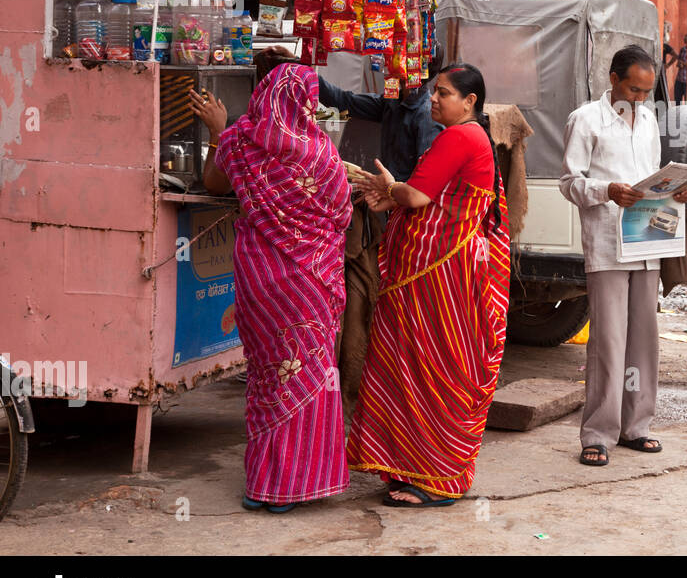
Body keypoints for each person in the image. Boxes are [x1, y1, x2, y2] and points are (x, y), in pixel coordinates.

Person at [189, 65, 352, 513]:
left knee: (266, 375)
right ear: (306, 103)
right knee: (305, 374)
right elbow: (341, 216)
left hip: (260, 278)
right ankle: (290, 486)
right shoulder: (321, 155)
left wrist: (217, 132)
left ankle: (261, 482)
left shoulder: (242, 138)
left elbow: (214, 183)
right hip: (309, 283)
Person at [345, 65, 509, 507]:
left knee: (430, 368)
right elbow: (430, 197)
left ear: (469, 102)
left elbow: (417, 197)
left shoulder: (460, 137)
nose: (433, 99)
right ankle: (412, 467)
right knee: (417, 368)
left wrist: (392, 188)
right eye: (434, 92)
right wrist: (394, 193)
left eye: (444, 93)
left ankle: (435, 477)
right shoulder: (470, 137)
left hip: (439, 279)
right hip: (441, 275)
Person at [560, 45, 687, 467]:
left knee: (644, 338)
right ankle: (598, 433)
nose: (639, 98)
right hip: (606, 242)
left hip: (648, 240)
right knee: (608, 341)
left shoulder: (650, 120)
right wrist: (608, 191)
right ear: (613, 79)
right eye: (633, 89)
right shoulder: (585, 120)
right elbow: (568, 181)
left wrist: (680, 191)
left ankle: (637, 426)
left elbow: (653, 178)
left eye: (645, 91)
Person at [315, 43, 443, 423]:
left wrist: (389, 191)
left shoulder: (425, 117)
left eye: (394, 64)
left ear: (416, 70)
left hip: (407, 219)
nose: (387, 69)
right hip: (389, 209)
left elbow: (425, 188)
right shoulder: (394, 101)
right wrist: (301, 69)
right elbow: (342, 99)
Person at [675, 35, 687, 104]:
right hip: (679, 79)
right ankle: (678, 114)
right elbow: (678, 63)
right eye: (685, 39)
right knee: (677, 100)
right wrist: (680, 64)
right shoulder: (682, 49)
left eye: (686, 39)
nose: (685, 40)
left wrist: (683, 63)